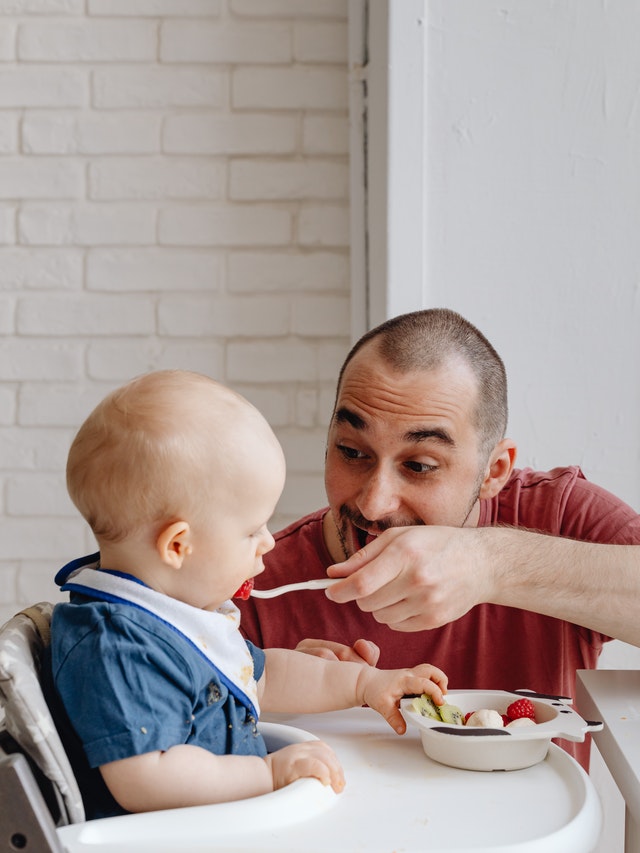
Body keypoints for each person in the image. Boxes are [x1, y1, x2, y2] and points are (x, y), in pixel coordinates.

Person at [237, 308, 640, 768]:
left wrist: (491, 566)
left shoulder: (562, 515)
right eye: (352, 452)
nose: (373, 503)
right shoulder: (250, 579)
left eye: (419, 466)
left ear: (495, 472)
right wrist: (274, 696)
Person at [42, 370, 447, 820]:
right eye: (251, 530)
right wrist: (268, 776)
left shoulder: (177, 615)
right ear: (178, 546)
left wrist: (365, 684)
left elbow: (266, 676)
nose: (269, 542)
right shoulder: (118, 644)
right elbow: (147, 779)